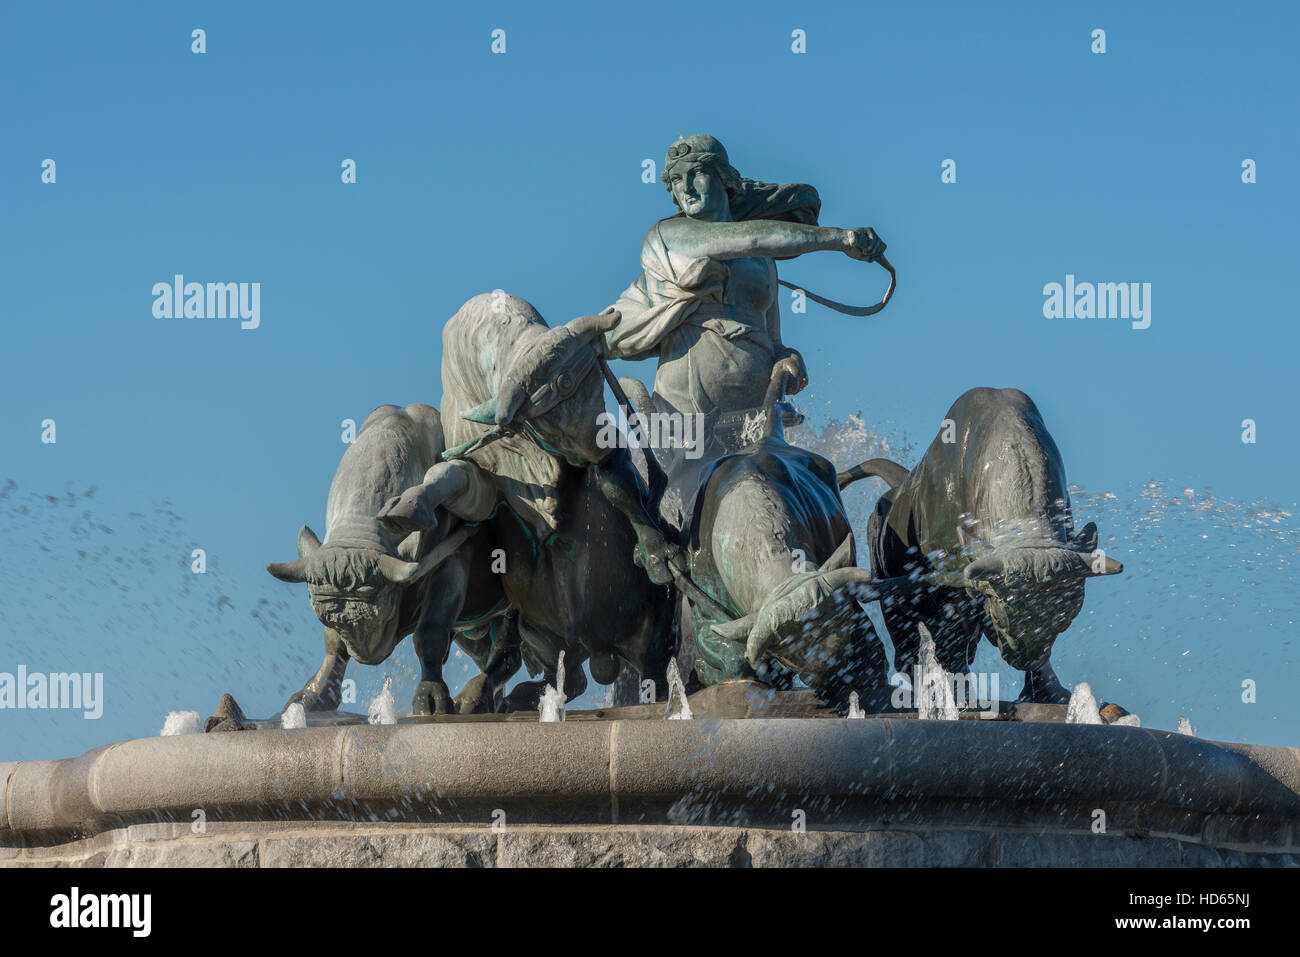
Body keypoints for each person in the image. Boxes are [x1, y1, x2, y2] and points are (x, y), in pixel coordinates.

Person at [605, 134, 887, 526]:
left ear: (725, 180)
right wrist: (839, 239)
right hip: (687, 426)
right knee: (679, 519)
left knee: (808, 495)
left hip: (758, 425)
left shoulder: (762, 265)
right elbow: (750, 235)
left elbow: (773, 339)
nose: (685, 188)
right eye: (676, 182)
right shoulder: (669, 236)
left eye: (698, 173)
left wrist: (787, 357)